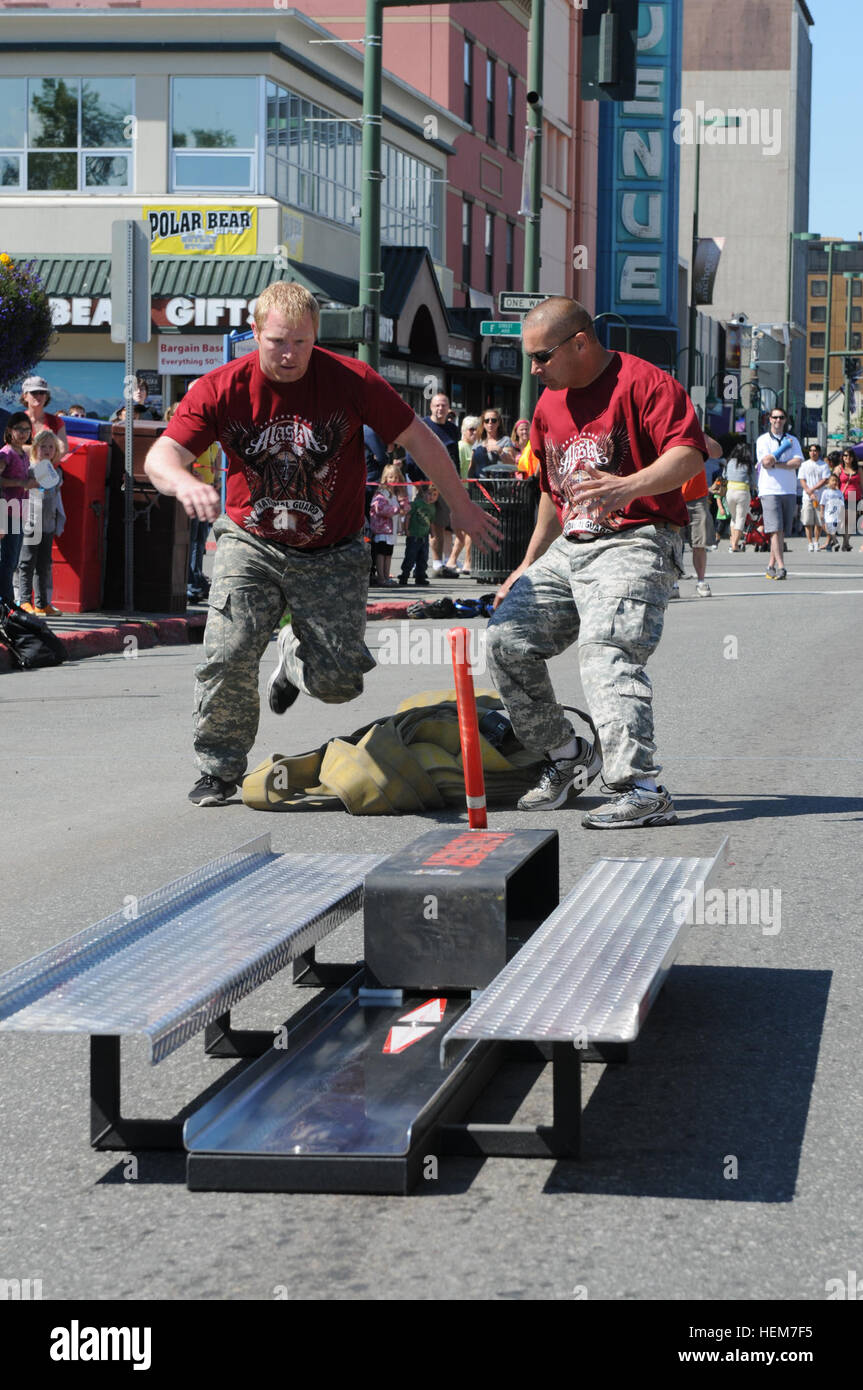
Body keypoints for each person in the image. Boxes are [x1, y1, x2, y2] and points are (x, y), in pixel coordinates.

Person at [142, 280, 498, 806]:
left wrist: (461, 504)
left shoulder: (351, 379)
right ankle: (218, 767)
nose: (289, 355)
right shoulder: (220, 387)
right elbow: (160, 456)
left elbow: (418, 436)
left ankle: (292, 657)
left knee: (339, 684)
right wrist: (186, 481)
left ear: (317, 338)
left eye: (302, 343)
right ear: (256, 333)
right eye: (278, 342)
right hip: (252, 541)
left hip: (333, 548)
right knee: (228, 651)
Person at [486, 296, 707, 829]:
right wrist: (527, 563)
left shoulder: (646, 383)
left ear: (580, 342)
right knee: (505, 639)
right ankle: (566, 756)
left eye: (541, 357)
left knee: (606, 648)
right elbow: (550, 490)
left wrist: (627, 487)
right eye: (530, 359)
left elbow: (690, 457)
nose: (534, 370)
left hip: (639, 537)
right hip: (572, 545)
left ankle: (640, 787)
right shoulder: (547, 406)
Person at [404, 392, 460, 575]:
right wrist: (419, 485)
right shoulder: (422, 426)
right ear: (430, 407)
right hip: (424, 484)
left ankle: (437, 563)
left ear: (448, 408)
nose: (440, 408)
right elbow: (410, 457)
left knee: (440, 525)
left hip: (444, 484)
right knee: (419, 526)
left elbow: (455, 459)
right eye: (437, 405)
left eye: (444, 405)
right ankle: (411, 564)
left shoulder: (453, 429)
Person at [16, 427, 65, 616]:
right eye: (43, 446)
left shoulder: (55, 472)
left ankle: (42, 603)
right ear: (35, 448)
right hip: (30, 524)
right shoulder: (30, 470)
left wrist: (58, 521)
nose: (47, 450)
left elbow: (57, 498)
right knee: (27, 563)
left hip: (47, 525)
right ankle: (24, 600)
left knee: (44, 564)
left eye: (51, 447)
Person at [755, 408, 803, 580]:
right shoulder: (762, 440)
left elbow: (797, 462)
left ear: (785, 420)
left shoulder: (793, 440)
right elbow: (766, 462)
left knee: (781, 530)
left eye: (781, 417)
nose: (778, 420)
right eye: (774, 417)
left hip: (788, 489)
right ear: (770, 419)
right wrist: (783, 451)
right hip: (769, 490)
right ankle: (782, 567)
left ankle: (770, 565)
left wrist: (777, 464)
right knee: (775, 529)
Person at [0, 413, 40, 605]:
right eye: (19, 429)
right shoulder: (6, 453)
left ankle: (7, 602)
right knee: (7, 561)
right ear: (9, 431)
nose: (23, 433)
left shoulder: (23, 454)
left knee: (13, 560)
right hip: (6, 511)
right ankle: (6, 603)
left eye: (26, 429)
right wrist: (21, 482)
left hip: (19, 511)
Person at [680, 435, 722, 598]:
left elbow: (717, 452)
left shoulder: (696, 435)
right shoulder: (667, 430)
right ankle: (673, 584)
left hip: (697, 498)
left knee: (699, 543)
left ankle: (701, 581)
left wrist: (699, 432)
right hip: (673, 495)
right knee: (673, 544)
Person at [369, 462, 408, 585]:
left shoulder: (396, 494)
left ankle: (386, 576)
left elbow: (404, 506)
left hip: (391, 530)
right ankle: (381, 577)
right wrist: (396, 510)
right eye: (391, 477)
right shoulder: (381, 493)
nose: (394, 480)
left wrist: (404, 504)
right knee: (381, 554)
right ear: (385, 478)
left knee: (388, 554)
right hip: (382, 530)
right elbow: (379, 508)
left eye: (396, 477)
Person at [398, 482, 437, 586]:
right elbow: (408, 516)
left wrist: (433, 533)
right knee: (410, 557)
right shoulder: (416, 504)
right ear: (423, 493)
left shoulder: (432, 508)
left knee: (423, 558)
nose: (431, 497)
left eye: (434, 495)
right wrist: (406, 529)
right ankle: (404, 575)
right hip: (414, 535)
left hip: (424, 537)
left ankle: (420, 576)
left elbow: (431, 521)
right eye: (429, 494)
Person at [20, 376, 68, 458]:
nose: (38, 396)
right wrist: (48, 450)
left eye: (42, 392)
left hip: (50, 468)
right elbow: (13, 449)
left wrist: (30, 450)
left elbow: (63, 449)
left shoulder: (56, 421)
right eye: (34, 392)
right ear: (25, 396)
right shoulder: (18, 420)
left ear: (46, 397)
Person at [798, 444, 830, 552]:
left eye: (815, 450)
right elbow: (802, 479)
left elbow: (825, 479)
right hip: (807, 497)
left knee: (818, 521)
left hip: (819, 497)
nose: (813, 452)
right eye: (811, 450)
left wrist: (813, 489)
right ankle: (810, 542)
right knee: (807, 521)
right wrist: (808, 491)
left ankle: (816, 541)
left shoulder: (823, 465)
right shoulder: (804, 465)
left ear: (819, 452)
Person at [724, 441, 755, 551]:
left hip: (730, 491)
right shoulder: (748, 464)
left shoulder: (729, 462)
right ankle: (734, 545)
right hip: (743, 491)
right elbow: (753, 480)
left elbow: (724, 475)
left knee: (733, 517)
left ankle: (733, 542)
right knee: (741, 518)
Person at [469, 409, 517, 477]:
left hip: (499, 482)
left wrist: (500, 451)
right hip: (480, 483)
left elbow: (511, 464)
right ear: (483, 424)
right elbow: (472, 466)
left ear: (498, 423)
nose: (490, 423)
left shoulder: (505, 440)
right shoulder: (478, 442)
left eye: (493, 420)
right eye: (487, 421)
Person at [837, 447, 861, 551]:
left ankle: (845, 543)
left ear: (853, 458)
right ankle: (845, 542)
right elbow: (834, 482)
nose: (847, 458)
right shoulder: (839, 468)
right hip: (842, 496)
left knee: (851, 522)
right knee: (843, 521)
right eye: (845, 455)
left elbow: (862, 484)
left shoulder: (858, 469)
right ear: (842, 457)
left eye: (850, 456)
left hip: (854, 496)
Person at [818, 473, 845, 550]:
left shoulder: (839, 492)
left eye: (836, 480)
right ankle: (832, 542)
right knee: (828, 528)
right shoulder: (826, 492)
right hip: (828, 514)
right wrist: (821, 513)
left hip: (836, 515)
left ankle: (833, 543)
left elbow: (842, 504)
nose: (834, 482)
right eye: (832, 480)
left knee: (832, 529)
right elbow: (822, 503)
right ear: (828, 482)